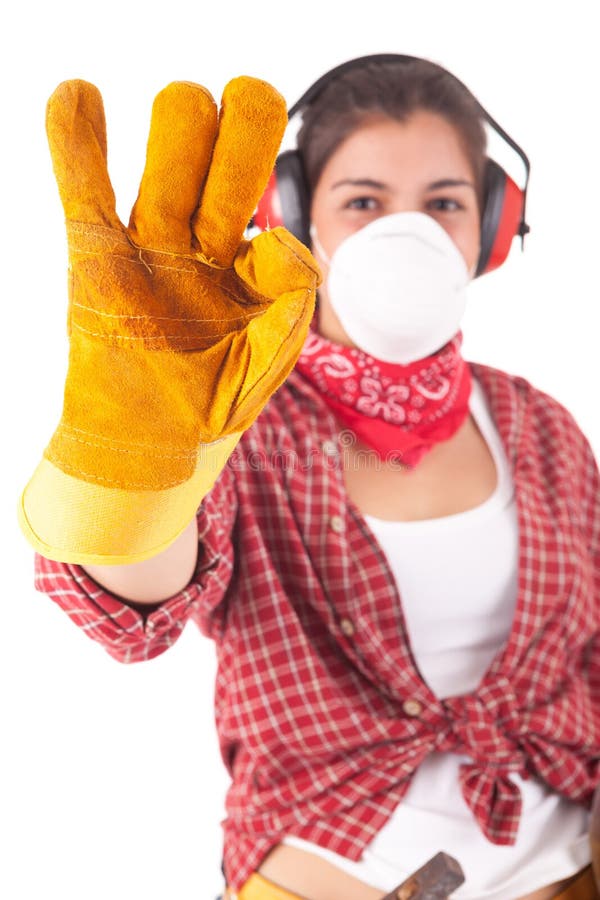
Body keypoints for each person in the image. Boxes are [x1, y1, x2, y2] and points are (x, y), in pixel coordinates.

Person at [19, 55, 600, 900]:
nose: (410, 234)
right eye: (363, 201)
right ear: (294, 219)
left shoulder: (540, 425)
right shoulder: (234, 419)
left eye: (444, 203)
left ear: (490, 232)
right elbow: (130, 612)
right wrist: (137, 456)